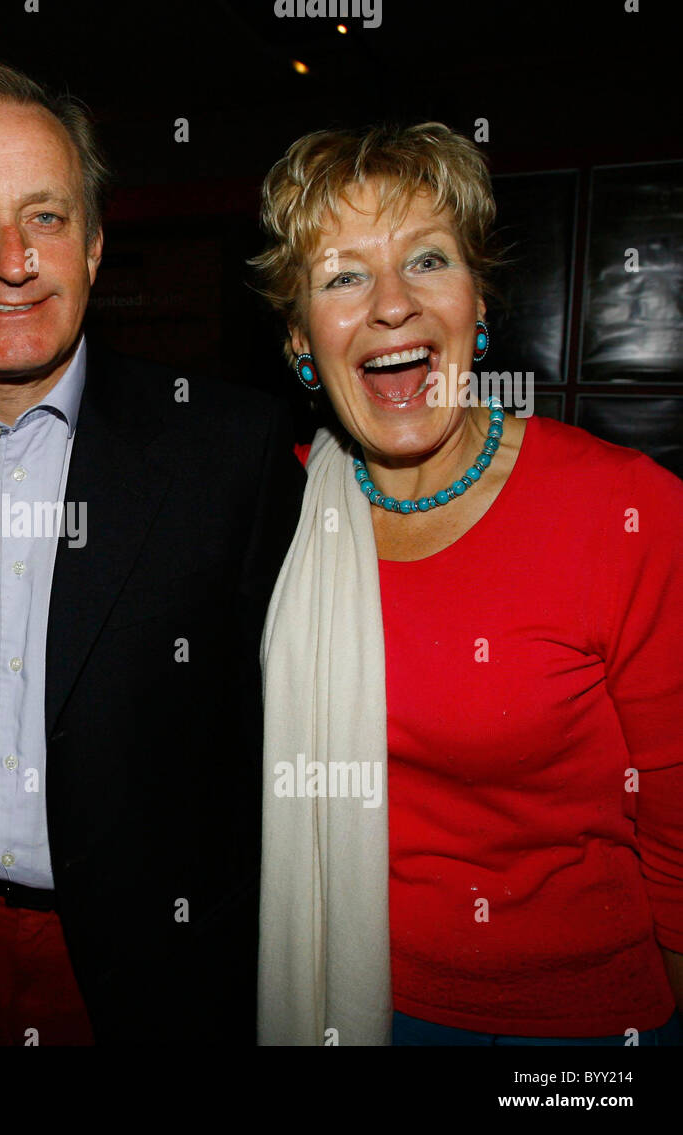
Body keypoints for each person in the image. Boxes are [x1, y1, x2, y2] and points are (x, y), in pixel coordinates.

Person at [0, 58, 305, 1045]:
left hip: (160, 982)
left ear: (91, 245)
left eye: (44, 217)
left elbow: (287, 745)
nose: (12, 259)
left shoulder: (230, 453)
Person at [252, 122, 683, 1045]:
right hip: (340, 993)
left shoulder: (626, 510)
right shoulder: (268, 514)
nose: (392, 305)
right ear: (300, 337)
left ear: (479, 302)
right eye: (342, 276)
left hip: (580, 1027)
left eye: (428, 261)